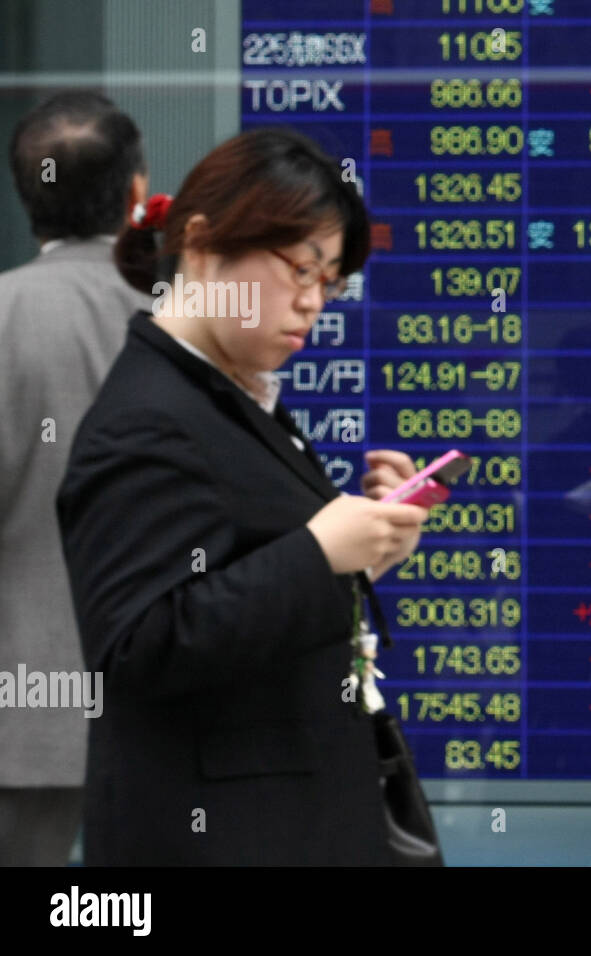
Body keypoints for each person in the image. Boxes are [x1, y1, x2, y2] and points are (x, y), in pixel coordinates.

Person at [56, 128, 430, 865]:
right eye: (300, 268)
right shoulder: (146, 418)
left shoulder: (228, 397)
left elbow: (251, 583)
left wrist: (365, 552)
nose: (312, 302)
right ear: (202, 243)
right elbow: (137, 644)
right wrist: (322, 553)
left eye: (328, 283)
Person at [0, 91, 151, 866]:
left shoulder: (5, 315)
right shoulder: (191, 319)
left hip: (22, 711)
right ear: (136, 193)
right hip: (171, 707)